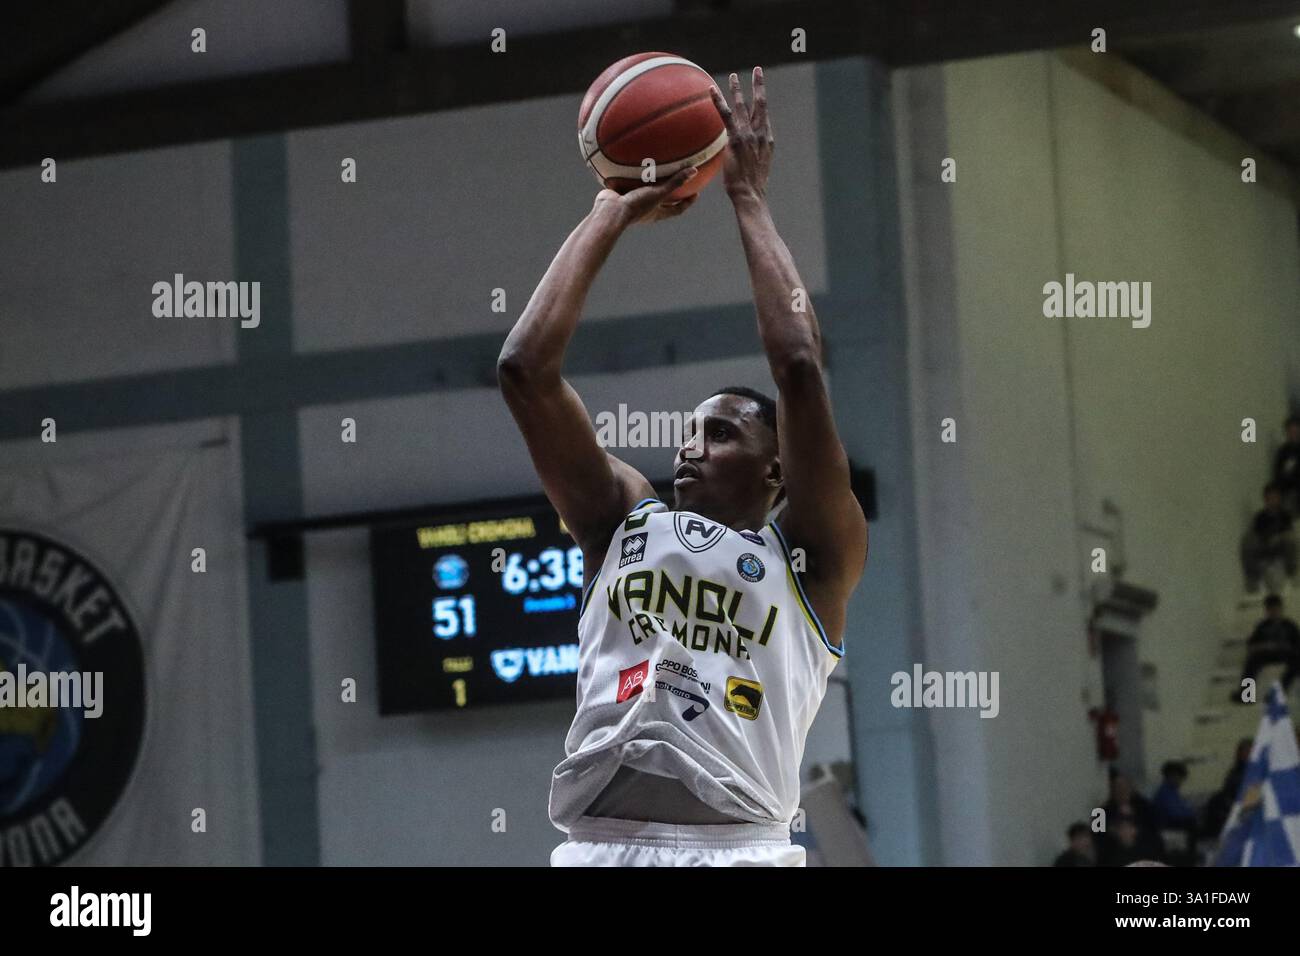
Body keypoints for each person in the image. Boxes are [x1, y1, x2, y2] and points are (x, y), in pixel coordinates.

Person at [498, 67, 869, 867]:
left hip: (740, 852)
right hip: (601, 849)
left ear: (779, 474)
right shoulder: (622, 519)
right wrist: (611, 210)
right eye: (689, 430)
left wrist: (746, 198)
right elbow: (525, 369)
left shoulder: (810, 558)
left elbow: (799, 363)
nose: (689, 444)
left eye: (723, 433)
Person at [1232, 594, 1300, 701]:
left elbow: (1297, 644)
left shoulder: (1289, 625)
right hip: (1266, 654)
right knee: (1252, 661)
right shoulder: (1263, 626)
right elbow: (1251, 646)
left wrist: (1284, 647)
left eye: (1276, 609)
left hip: (1286, 654)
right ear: (1267, 611)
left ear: (1281, 609)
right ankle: (1247, 695)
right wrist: (1265, 646)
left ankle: (1277, 694)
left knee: (1297, 661)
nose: (1274, 612)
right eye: (1271, 609)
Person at [1240, 483, 1297, 593]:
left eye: (1274, 497)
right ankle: (1254, 578)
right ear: (1265, 499)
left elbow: (1289, 533)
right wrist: (1266, 539)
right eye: (1269, 498)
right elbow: (1257, 534)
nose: (1271, 501)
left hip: (1281, 546)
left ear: (1279, 498)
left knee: (1290, 540)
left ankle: (1291, 573)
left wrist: (1277, 537)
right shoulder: (1260, 517)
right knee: (1247, 543)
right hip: (1264, 546)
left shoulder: (1285, 516)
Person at [1202, 738, 1252, 838]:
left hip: (1247, 803)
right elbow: (1227, 788)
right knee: (1215, 803)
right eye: (1243, 751)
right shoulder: (1235, 771)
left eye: (1248, 750)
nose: (1245, 754)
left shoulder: (1256, 771)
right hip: (1231, 801)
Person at [1274, 415, 1300, 513]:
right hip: (1289, 492)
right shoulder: (1283, 452)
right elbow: (1279, 474)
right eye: (1291, 432)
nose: (1293, 434)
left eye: (1296, 431)